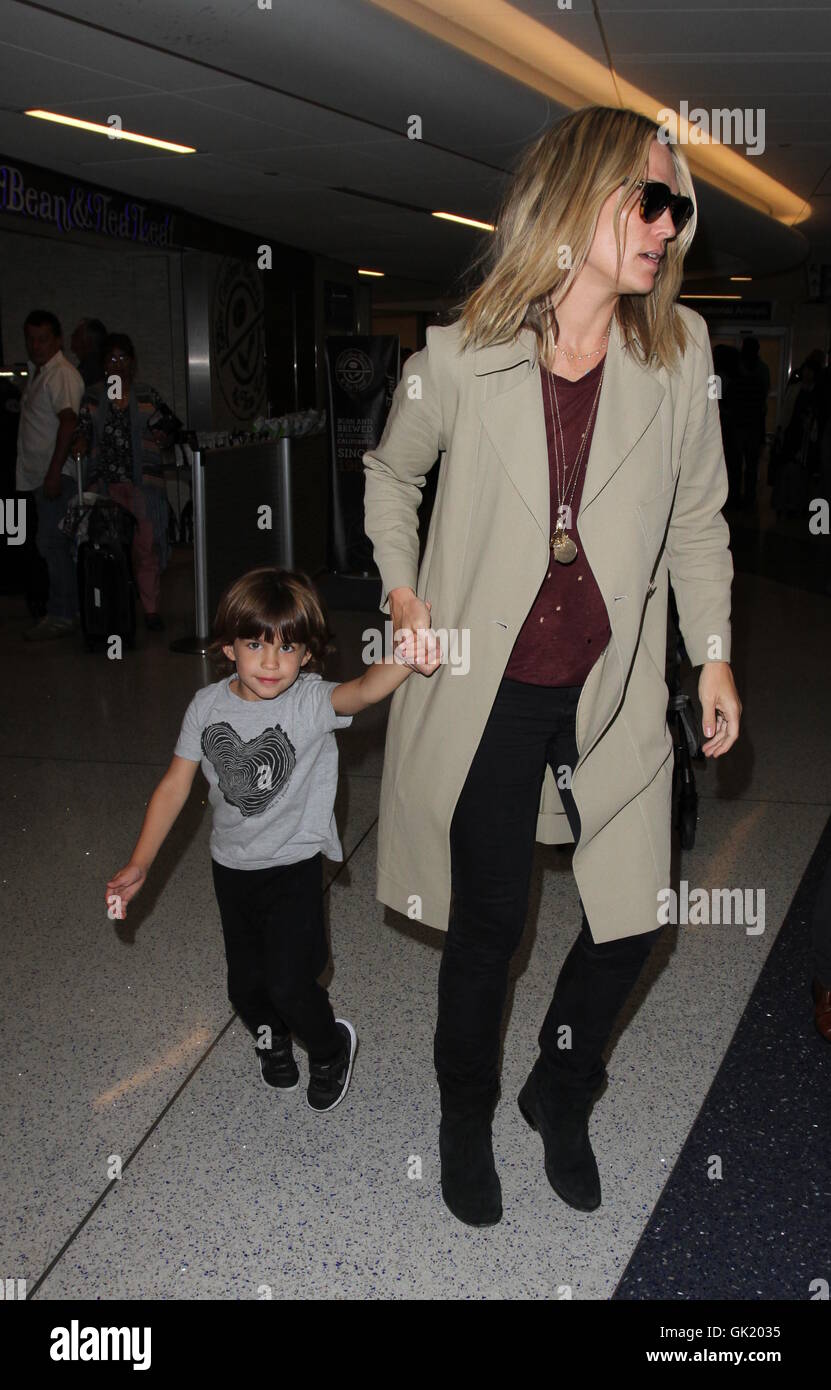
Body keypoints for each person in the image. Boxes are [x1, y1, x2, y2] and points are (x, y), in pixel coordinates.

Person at [363, 105, 741, 1226]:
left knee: (635, 921)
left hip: (613, 695)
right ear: (582, 197)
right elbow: (390, 475)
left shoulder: (678, 359)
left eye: (679, 209)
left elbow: (702, 522)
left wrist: (711, 658)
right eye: (653, 200)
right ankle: (464, 1113)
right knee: (491, 929)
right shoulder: (461, 352)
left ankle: (557, 1089)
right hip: (491, 695)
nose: (670, 228)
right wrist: (402, 587)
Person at [103, 567, 440, 1112]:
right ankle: (271, 1038)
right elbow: (174, 786)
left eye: (288, 648)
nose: (269, 661)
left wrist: (407, 652)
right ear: (228, 647)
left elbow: (360, 693)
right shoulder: (205, 708)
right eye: (254, 643)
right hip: (231, 868)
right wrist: (140, 862)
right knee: (246, 988)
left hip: (293, 867)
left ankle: (331, 1047)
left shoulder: (307, 702)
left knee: (289, 982)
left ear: (308, 655)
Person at [72, 333, 173, 631]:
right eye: (111, 359)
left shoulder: (146, 395)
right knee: (108, 550)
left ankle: (151, 609)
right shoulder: (93, 397)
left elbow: (168, 430)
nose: (118, 365)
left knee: (146, 547)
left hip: (142, 486)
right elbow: (82, 430)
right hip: (105, 487)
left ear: (132, 361)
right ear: (104, 364)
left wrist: (163, 434)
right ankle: (111, 611)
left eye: (123, 358)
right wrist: (79, 442)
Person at [16, 310, 84, 641]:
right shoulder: (40, 374)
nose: (36, 345)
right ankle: (61, 610)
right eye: (31, 339)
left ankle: (63, 613)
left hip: (54, 477)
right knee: (49, 545)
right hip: (39, 478)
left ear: (57, 340)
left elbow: (68, 421)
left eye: (43, 338)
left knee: (53, 543)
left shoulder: (60, 374)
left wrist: (55, 471)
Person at [727, 336, 769, 510]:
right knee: (746, 466)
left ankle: (740, 497)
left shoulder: (739, 369)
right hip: (748, 424)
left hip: (743, 424)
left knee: (740, 465)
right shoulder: (760, 370)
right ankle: (745, 498)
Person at [69, 317, 108, 388]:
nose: (71, 337)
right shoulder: (108, 366)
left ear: (88, 341)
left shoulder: (86, 372)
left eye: (76, 335)